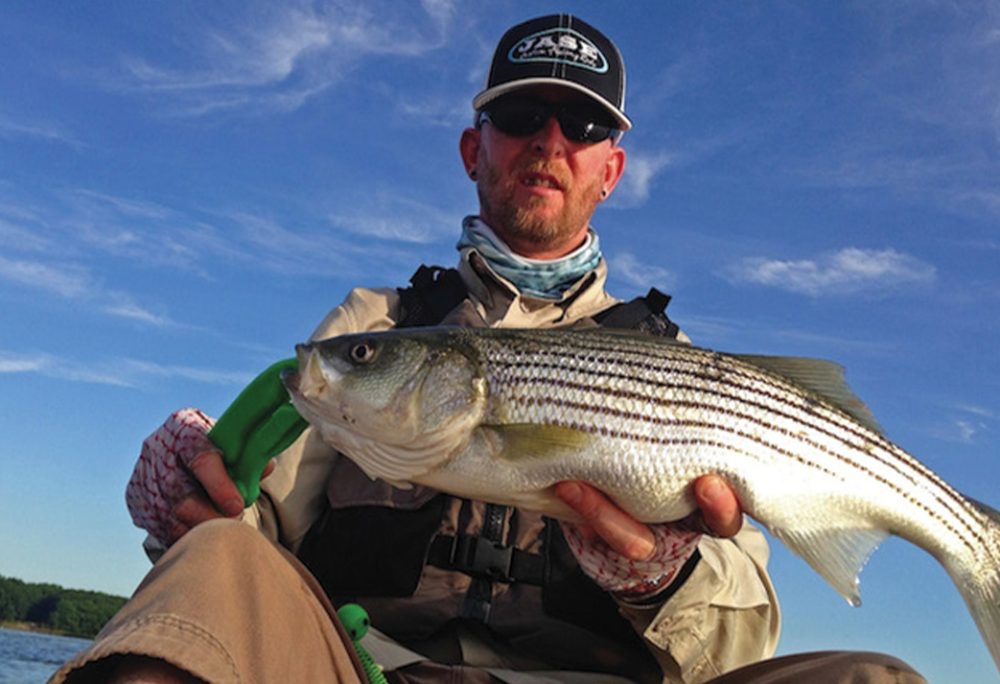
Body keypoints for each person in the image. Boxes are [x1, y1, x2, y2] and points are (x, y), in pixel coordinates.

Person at [52, 14, 925, 684]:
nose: (549, 142)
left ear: (611, 172)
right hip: (363, 667)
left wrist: (661, 579)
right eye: (521, 114)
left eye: (582, 126)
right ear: (475, 149)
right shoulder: (374, 324)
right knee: (209, 563)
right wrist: (186, 492)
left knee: (872, 680)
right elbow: (249, 538)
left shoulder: (679, 368)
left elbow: (740, 642)